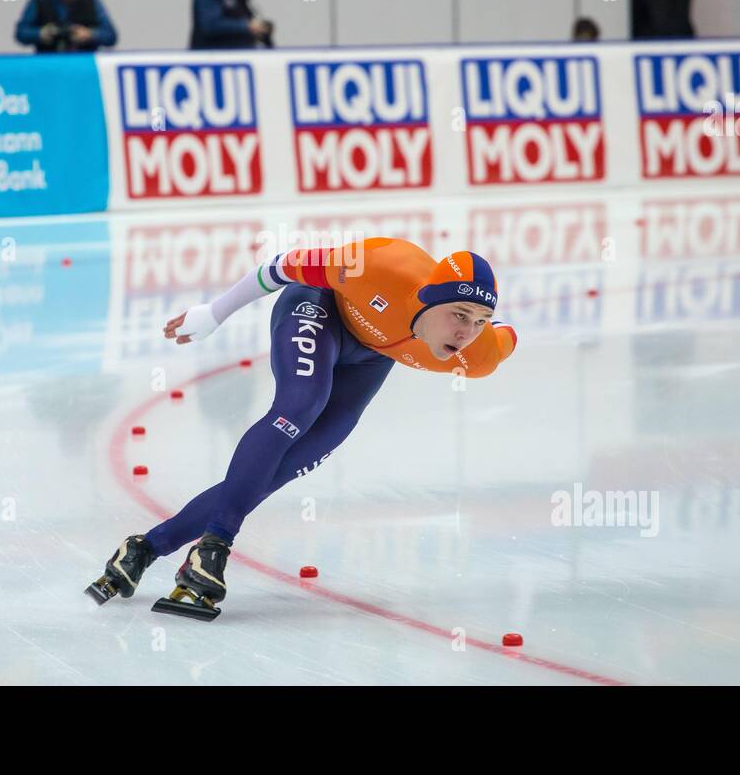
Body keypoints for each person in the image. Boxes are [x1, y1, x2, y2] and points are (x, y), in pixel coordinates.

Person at [87, 238, 518, 619]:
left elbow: (506, 335)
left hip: (370, 359)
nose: (466, 332)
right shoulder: (379, 265)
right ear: (426, 297)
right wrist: (215, 312)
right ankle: (212, 550)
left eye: (479, 321)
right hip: (319, 304)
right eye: (459, 315)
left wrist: (490, 326)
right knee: (299, 405)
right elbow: (279, 267)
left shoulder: (477, 354)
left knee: (286, 465)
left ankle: (144, 549)